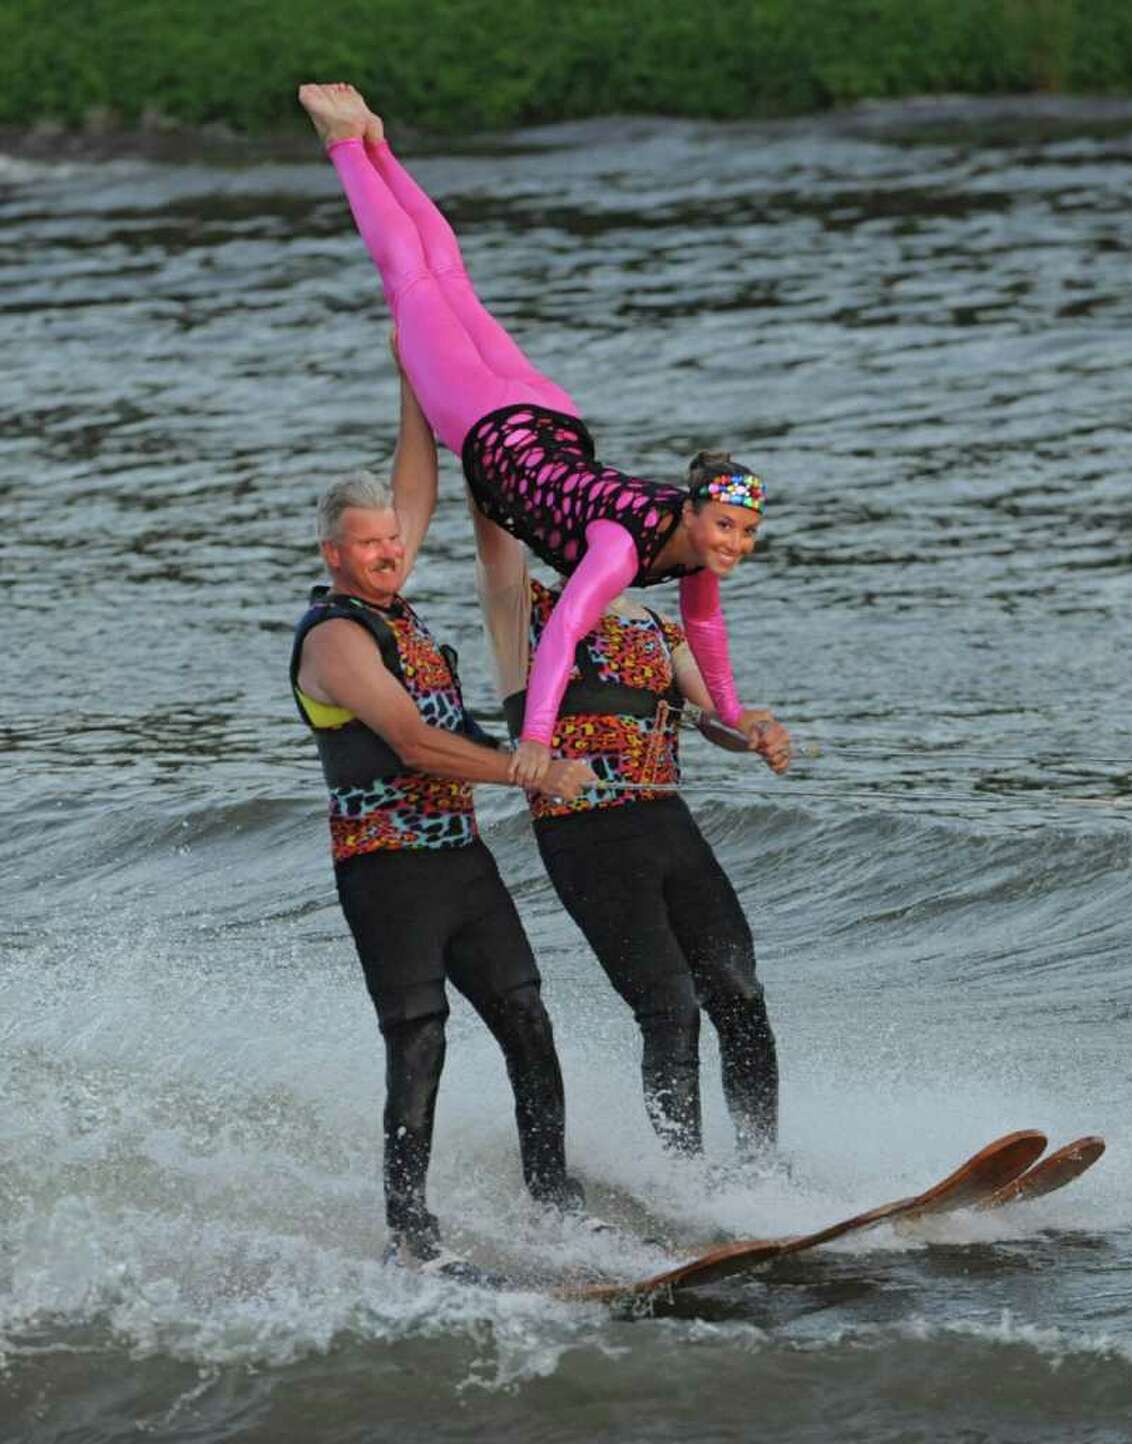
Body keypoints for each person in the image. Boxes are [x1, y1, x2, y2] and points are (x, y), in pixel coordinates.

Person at [296, 83, 791, 796]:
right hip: (490, 426)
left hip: (545, 415)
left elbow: (709, 640)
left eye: (745, 533)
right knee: (411, 279)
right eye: (725, 526)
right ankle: (347, 144)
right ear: (690, 511)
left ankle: (377, 141)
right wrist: (533, 742)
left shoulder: (688, 554)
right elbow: (558, 633)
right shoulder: (621, 550)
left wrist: (738, 715)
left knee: (445, 277)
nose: (734, 544)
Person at [291, 358, 596, 1275]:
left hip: (460, 862)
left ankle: (555, 1202)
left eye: (396, 539)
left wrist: (415, 361)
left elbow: (414, 475)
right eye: (373, 545)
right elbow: (417, 744)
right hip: (388, 876)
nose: (393, 552)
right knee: (420, 1040)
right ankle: (409, 1233)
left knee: (527, 1020)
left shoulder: (393, 588)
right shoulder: (337, 639)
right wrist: (527, 770)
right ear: (335, 554)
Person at [471, 488, 789, 1161]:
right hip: (584, 834)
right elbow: (494, 533)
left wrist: (756, 731)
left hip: (667, 823)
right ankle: (686, 1178)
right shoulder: (522, 608)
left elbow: (714, 719)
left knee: (739, 994)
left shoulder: (655, 623)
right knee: (670, 1009)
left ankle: (763, 1169)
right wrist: (484, 447)